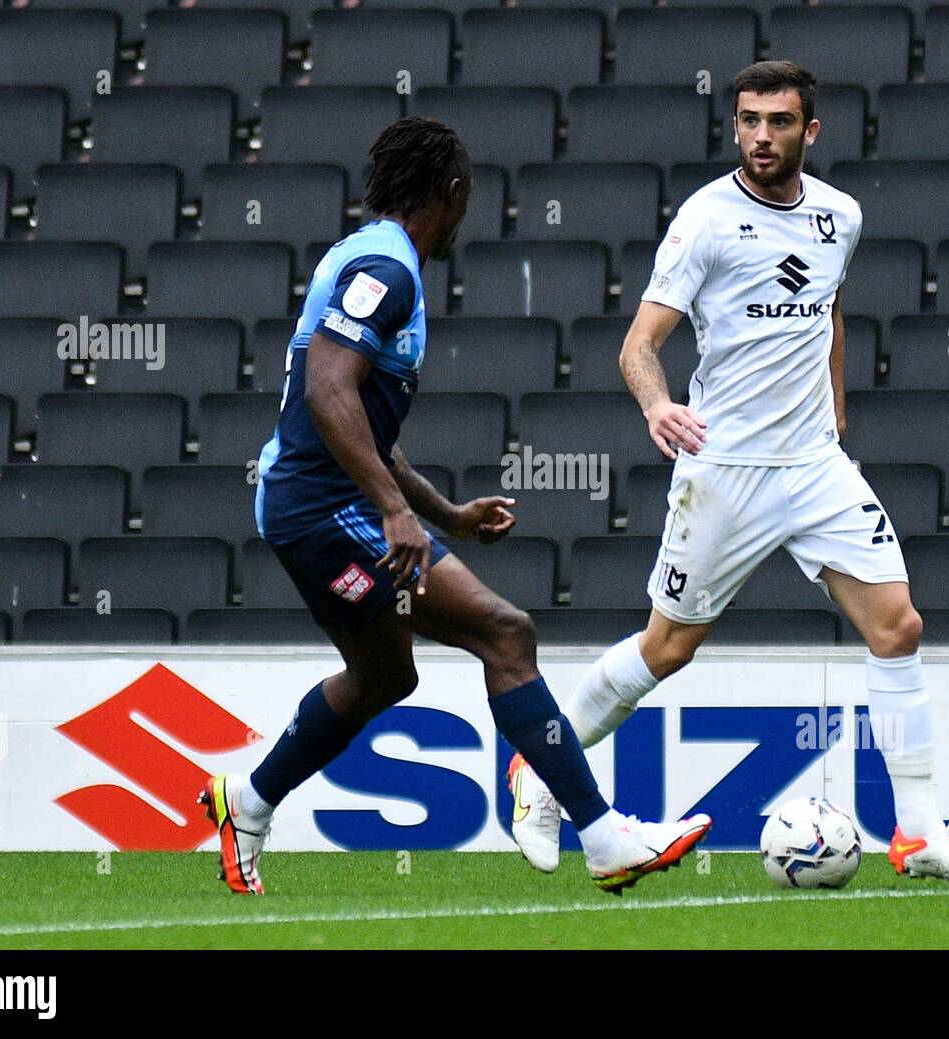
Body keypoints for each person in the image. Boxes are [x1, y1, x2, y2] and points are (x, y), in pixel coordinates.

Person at [506, 64, 949, 887]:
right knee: (669, 648)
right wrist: (657, 406)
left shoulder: (839, 216)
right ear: (734, 126)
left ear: (811, 131)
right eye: (748, 121)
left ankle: (918, 834)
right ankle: (540, 768)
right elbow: (638, 346)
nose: (761, 136)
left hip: (814, 464)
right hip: (726, 469)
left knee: (899, 627)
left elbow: (830, 309)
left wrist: (837, 412)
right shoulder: (705, 220)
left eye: (779, 121)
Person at [199, 117, 711, 894]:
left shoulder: (368, 257)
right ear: (454, 192)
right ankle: (604, 838)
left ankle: (248, 800)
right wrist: (394, 514)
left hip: (321, 502)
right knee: (505, 632)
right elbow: (328, 393)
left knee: (382, 675)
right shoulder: (388, 271)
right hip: (320, 507)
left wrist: (443, 513)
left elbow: (363, 425)